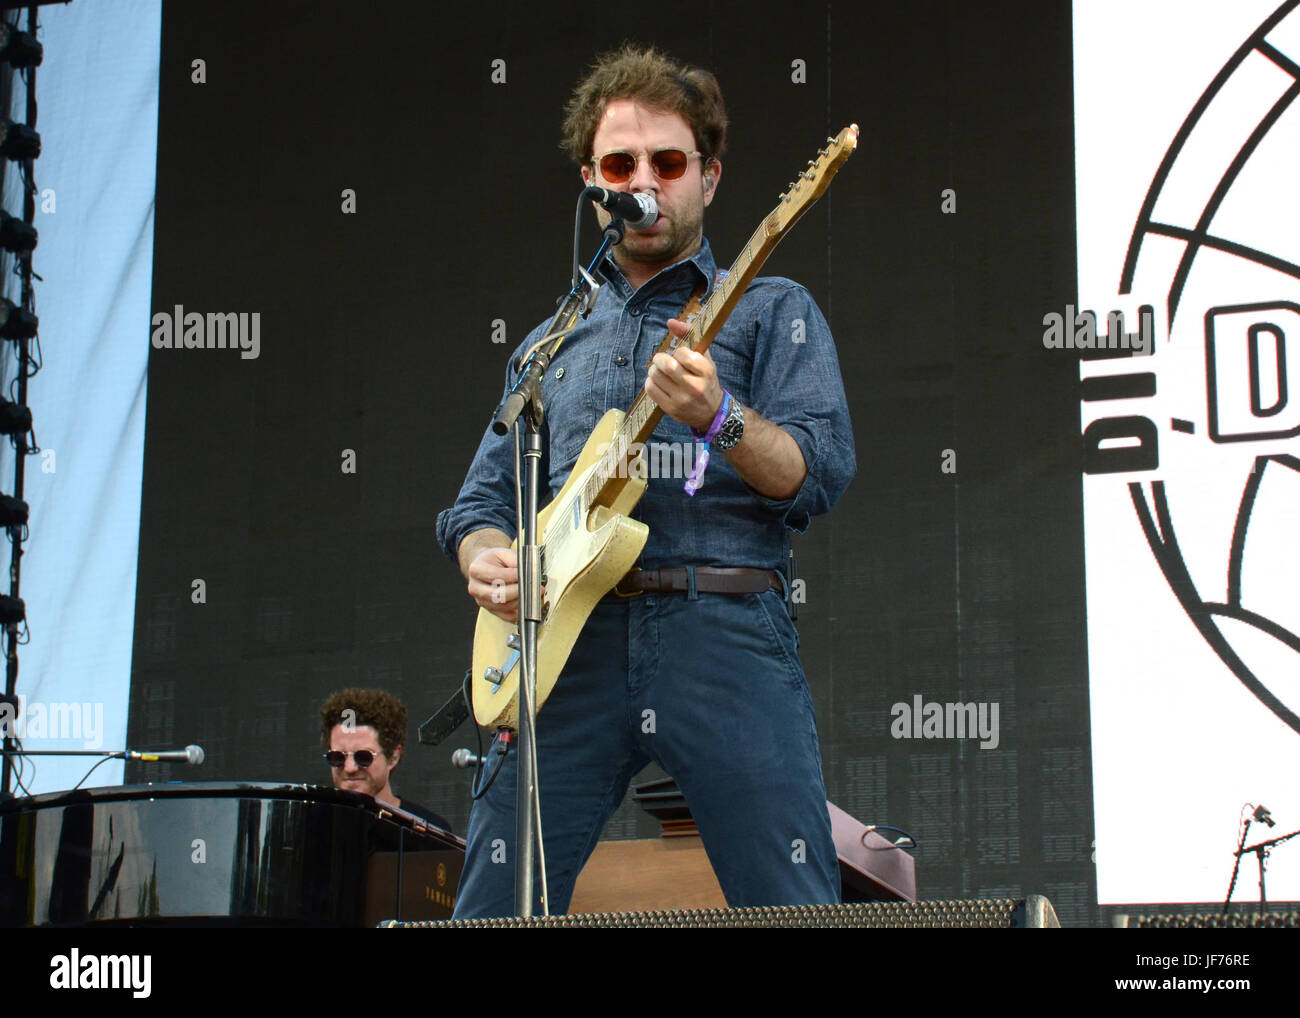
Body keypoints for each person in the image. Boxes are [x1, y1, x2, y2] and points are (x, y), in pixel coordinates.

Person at [435, 45, 854, 917]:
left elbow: (818, 472)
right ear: (593, 182)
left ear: (709, 176)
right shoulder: (547, 343)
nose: (646, 183)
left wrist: (719, 419)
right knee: (491, 908)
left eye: (669, 163)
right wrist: (485, 554)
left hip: (723, 628)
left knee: (792, 902)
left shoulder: (772, 307)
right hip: (567, 649)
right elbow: (478, 503)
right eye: (621, 165)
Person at [319, 687, 451, 830]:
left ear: (393, 757)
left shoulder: (429, 830)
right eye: (337, 757)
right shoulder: (313, 826)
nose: (350, 767)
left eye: (363, 757)